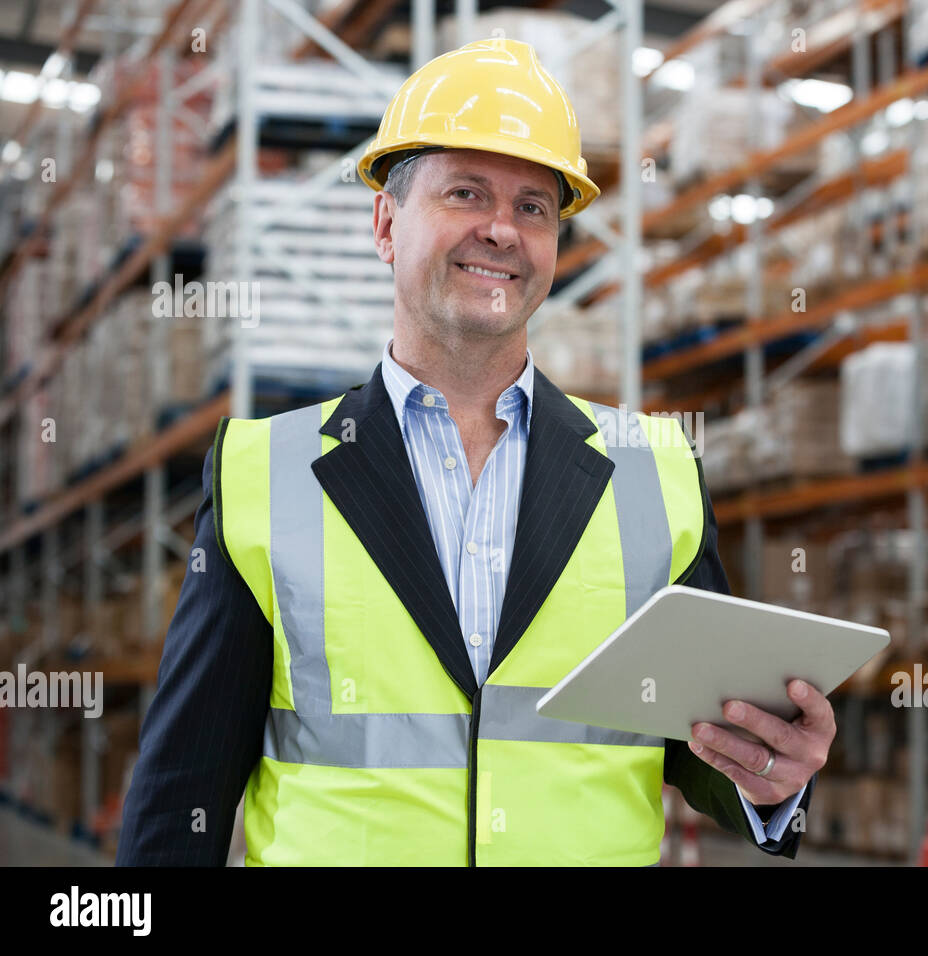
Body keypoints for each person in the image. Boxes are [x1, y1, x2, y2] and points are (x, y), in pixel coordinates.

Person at [116, 37, 833, 866]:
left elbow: (702, 746)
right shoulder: (263, 472)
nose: (502, 229)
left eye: (535, 207)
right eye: (467, 192)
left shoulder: (655, 470)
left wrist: (771, 782)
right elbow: (184, 789)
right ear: (386, 223)